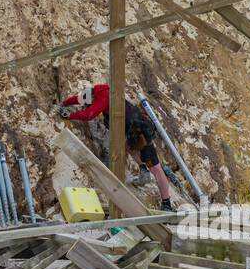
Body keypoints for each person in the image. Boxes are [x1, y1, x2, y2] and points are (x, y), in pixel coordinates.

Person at [58, 83, 175, 211]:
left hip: (139, 130)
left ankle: (166, 203)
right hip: (131, 130)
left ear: (92, 98)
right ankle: (143, 169)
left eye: (91, 103)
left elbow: (89, 114)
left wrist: (70, 115)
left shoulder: (103, 98)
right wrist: (64, 103)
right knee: (129, 148)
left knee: (156, 169)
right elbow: (79, 99)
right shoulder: (97, 91)